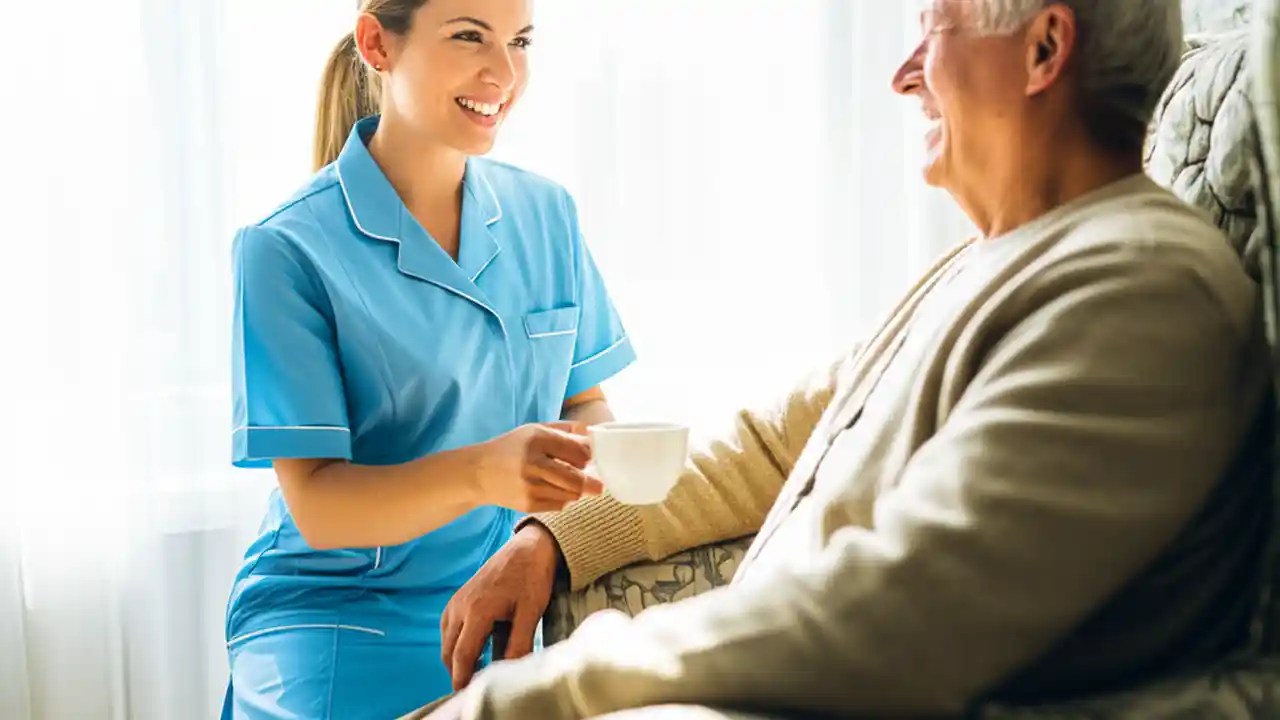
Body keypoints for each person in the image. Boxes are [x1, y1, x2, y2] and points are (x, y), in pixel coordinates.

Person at [428, 0, 1274, 717]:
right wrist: (556, 538)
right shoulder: (999, 261)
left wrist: (550, 690)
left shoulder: (1137, 290)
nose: (904, 75)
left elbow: (910, 614)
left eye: (934, 30)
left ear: (1045, 48)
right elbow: (771, 446)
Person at [221, 0, 636, 717]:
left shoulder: (549, 215)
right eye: (469, 37)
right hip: (336, 625)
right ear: (378, 45)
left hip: (500, 615)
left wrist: (563, 507)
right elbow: (318, 505)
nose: (504, 73)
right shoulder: (285, 250)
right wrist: (484, 471)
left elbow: (583, 404)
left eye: (520, 41)